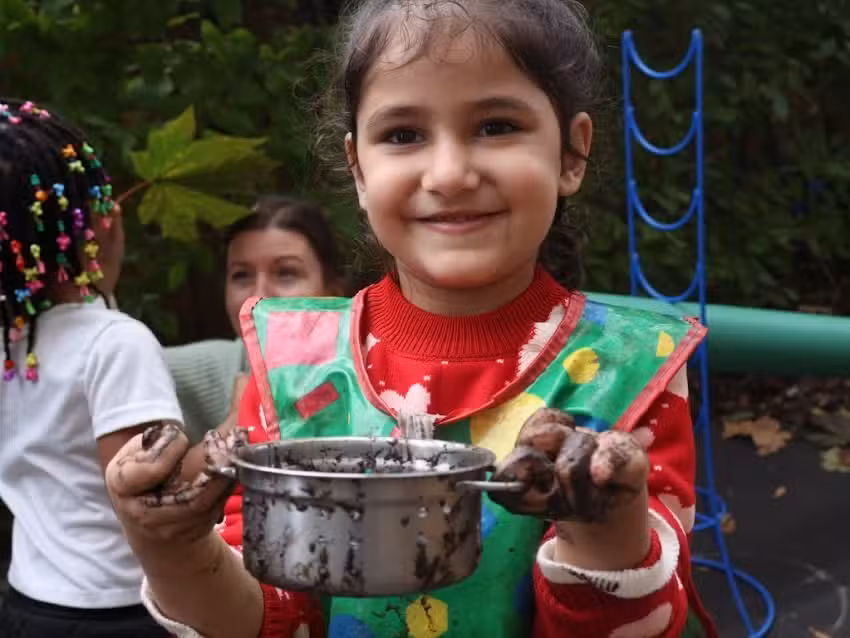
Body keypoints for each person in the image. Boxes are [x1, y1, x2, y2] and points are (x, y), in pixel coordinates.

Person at [105, 1, 719, 636]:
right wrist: (172, 547)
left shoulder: (628, 372)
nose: (450, 174)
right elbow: (278, 620)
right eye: (403, 135)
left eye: (497, 125)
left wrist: (603, 525)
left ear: (570, 154)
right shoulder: (296, 366)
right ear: (358, 168)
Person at [0, 99, 181, 636]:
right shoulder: (115, 343)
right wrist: (232, 439)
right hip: (120, 607)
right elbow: (149, 498)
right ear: (92, 225)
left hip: (29, 601)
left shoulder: (11, 342)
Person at [163, 195, 345, 443]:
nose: (259, 296)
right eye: (241, 276)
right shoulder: (206, 368)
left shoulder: (370, 373)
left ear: (332, 294)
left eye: (286, 273)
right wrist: (240, 420)